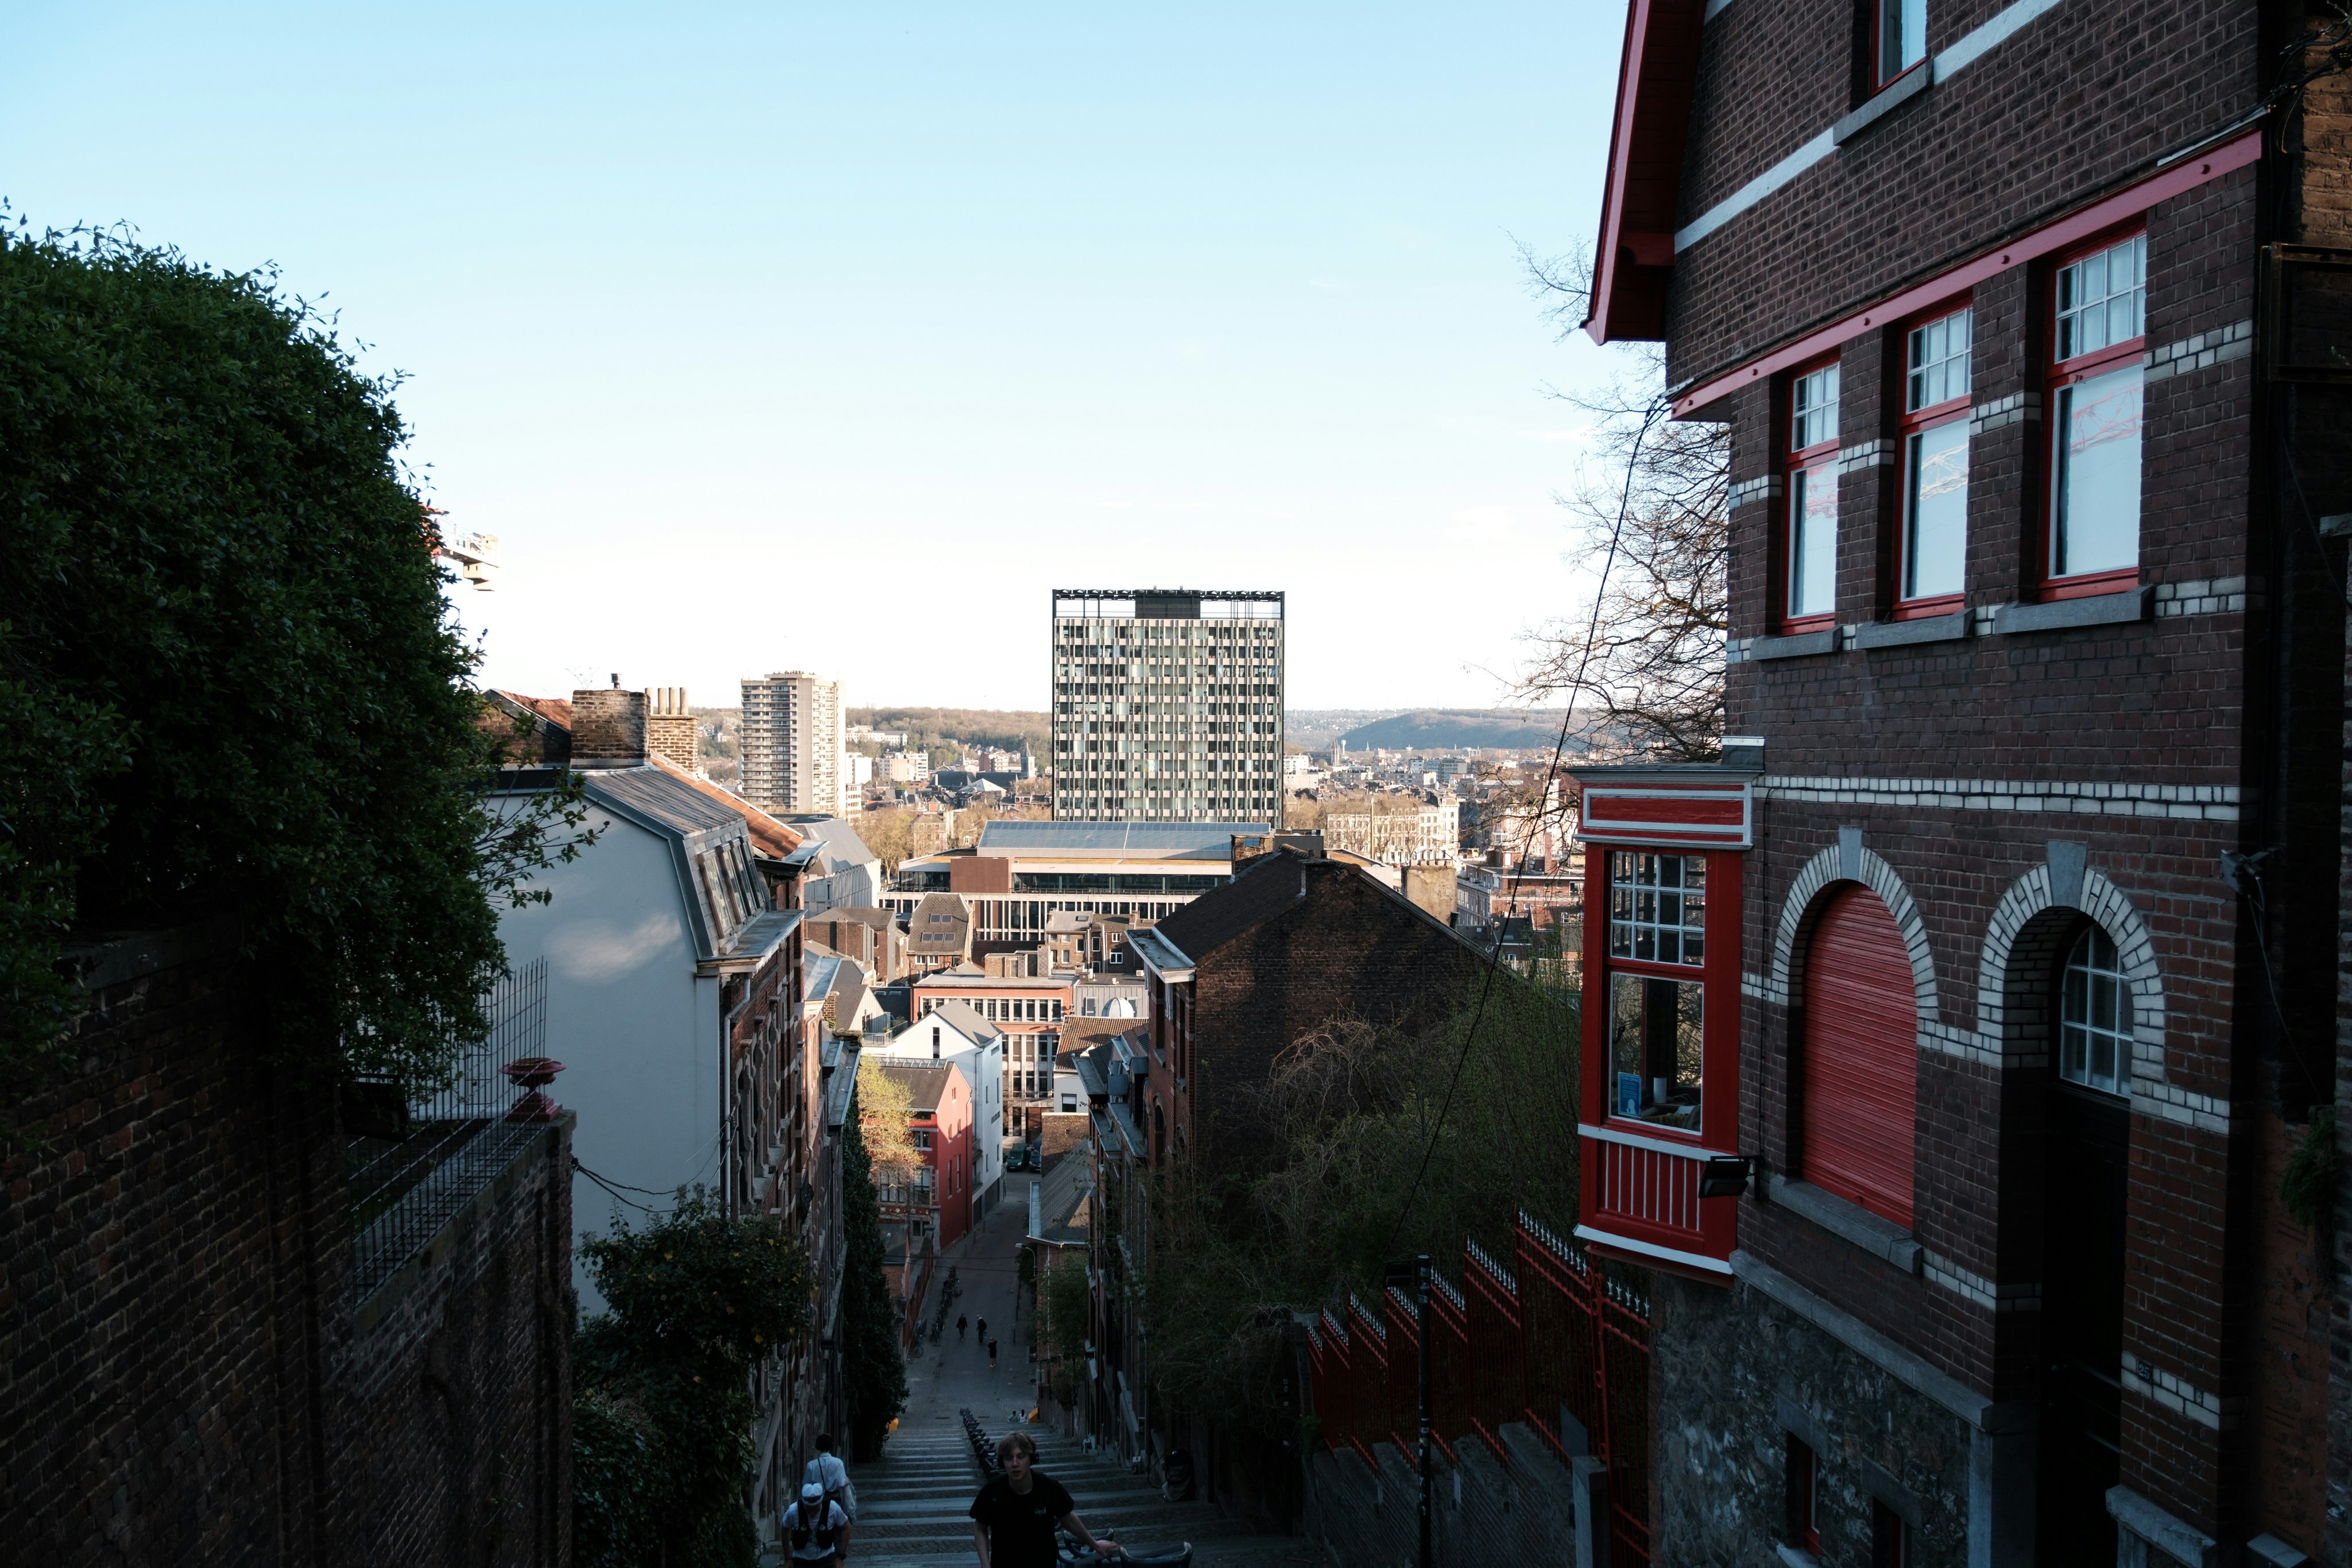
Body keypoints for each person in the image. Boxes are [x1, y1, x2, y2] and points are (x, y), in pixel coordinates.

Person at [969, 1431, 1120, 1568]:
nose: (1015, 1463)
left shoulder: (1048, 1487)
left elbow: (1068, 1518)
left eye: (1021, 1457)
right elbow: (980, 1528)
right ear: (1003, 1462)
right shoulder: (992, 1491)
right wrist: (985, 1564)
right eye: (1009, 1458)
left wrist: (1095, 1545)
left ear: (1031, 1458)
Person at [784, 1480, 851, 1566]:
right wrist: (787, 1558)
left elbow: (847, 1527)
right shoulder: (793, 1511)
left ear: (821, 1502)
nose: (812, 1513)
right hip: (801, 1561)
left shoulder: (832, 1508)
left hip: (827, 1560)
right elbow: (784, 1529)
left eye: (816, 1509)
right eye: (809, 1509)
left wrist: (841, 1557)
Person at [804, 1433, 854, 1521]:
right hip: (835, 1502)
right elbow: (843, 1485)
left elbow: (805, 1486)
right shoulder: (838, 1463)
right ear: (831, 1447)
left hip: (816, 1504)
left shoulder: (811, 1465)